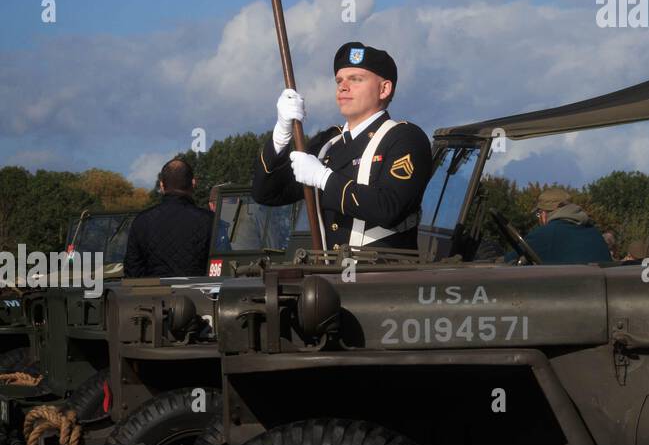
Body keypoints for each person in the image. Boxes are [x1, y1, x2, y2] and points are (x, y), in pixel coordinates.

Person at [252, 41, 434, 251]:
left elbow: (389, 208)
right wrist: (282, 133)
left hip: (381, 275)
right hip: (331, 274)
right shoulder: (327, 144)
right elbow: (266, 193)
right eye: (339, 80)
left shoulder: (405, 138)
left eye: (356, 79)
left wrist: (324, 179)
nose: (343, 86)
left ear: (384, 89)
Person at [124, 158, 214, 278]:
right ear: (193, 183)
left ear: (161, 185)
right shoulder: (211, 221)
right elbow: (222, 267)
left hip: (153, 294)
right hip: (199, 294)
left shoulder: (141, 221)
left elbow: (132, 269)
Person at [504, 188, 611, 264]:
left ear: (544, 214)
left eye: (538, 214)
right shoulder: (593, 231)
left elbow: (507, 262)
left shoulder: (546, 234)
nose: (539, 219)